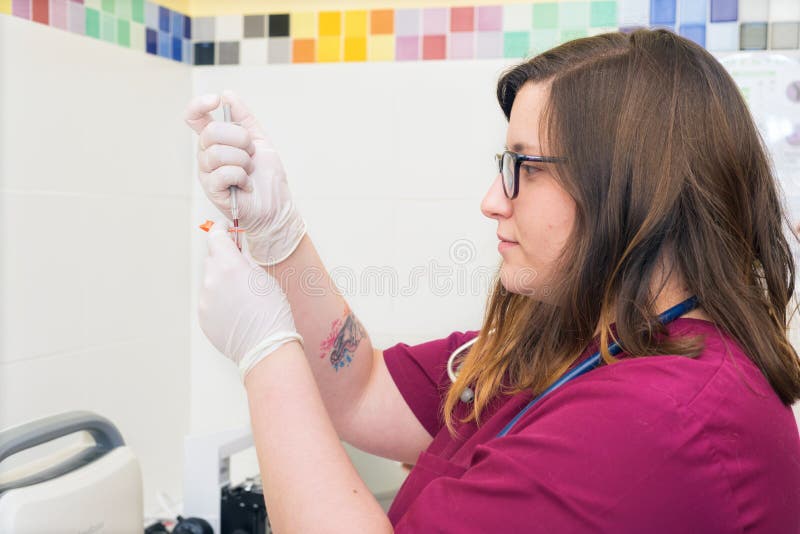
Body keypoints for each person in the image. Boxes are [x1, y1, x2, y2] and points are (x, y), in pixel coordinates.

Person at [184, 28, 800, 533]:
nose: (491, 201)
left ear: (633, 188)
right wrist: (279, 237)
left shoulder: (658, 422)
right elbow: (362, 388)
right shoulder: (583, 340)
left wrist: (265, 352)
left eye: (523, 168)